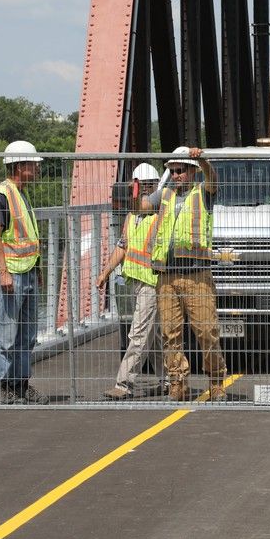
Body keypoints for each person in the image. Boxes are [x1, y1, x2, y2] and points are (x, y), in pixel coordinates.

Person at [136, 146, 228, 401]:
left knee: (207, 331)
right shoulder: (163, 195)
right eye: (172, 171)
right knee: (170, 334)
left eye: (180, 170)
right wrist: (131, 195)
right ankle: (177, 383)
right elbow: (142, 206)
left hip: (197, 274)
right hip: (167, 276)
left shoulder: (203, 193)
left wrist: (204, 160)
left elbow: (213, 180)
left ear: (192, 171)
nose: (175, 175)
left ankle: (217, 382)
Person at [0, 140, 49, 405]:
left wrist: (38, 268)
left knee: (27, 334)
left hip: (28, 270)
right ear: (20, 166)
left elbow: (28, 237)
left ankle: (20, 385)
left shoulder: (19, 193)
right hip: (12, 273)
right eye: (33, 164)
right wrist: (4, 272)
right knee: (7, 332)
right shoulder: (2, 194)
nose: (36, 168)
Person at [95, 163, 164, 400]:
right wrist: (105, 271)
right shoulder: (131, 216)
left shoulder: (159, 215)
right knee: (153, 335)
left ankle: (124, 384)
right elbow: (122, 247)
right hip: (137, 280)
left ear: (155, 187)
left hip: (153, 282)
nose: (143, 191)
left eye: (147, 186)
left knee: (139, 333)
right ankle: (170, 379)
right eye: (139, 186)